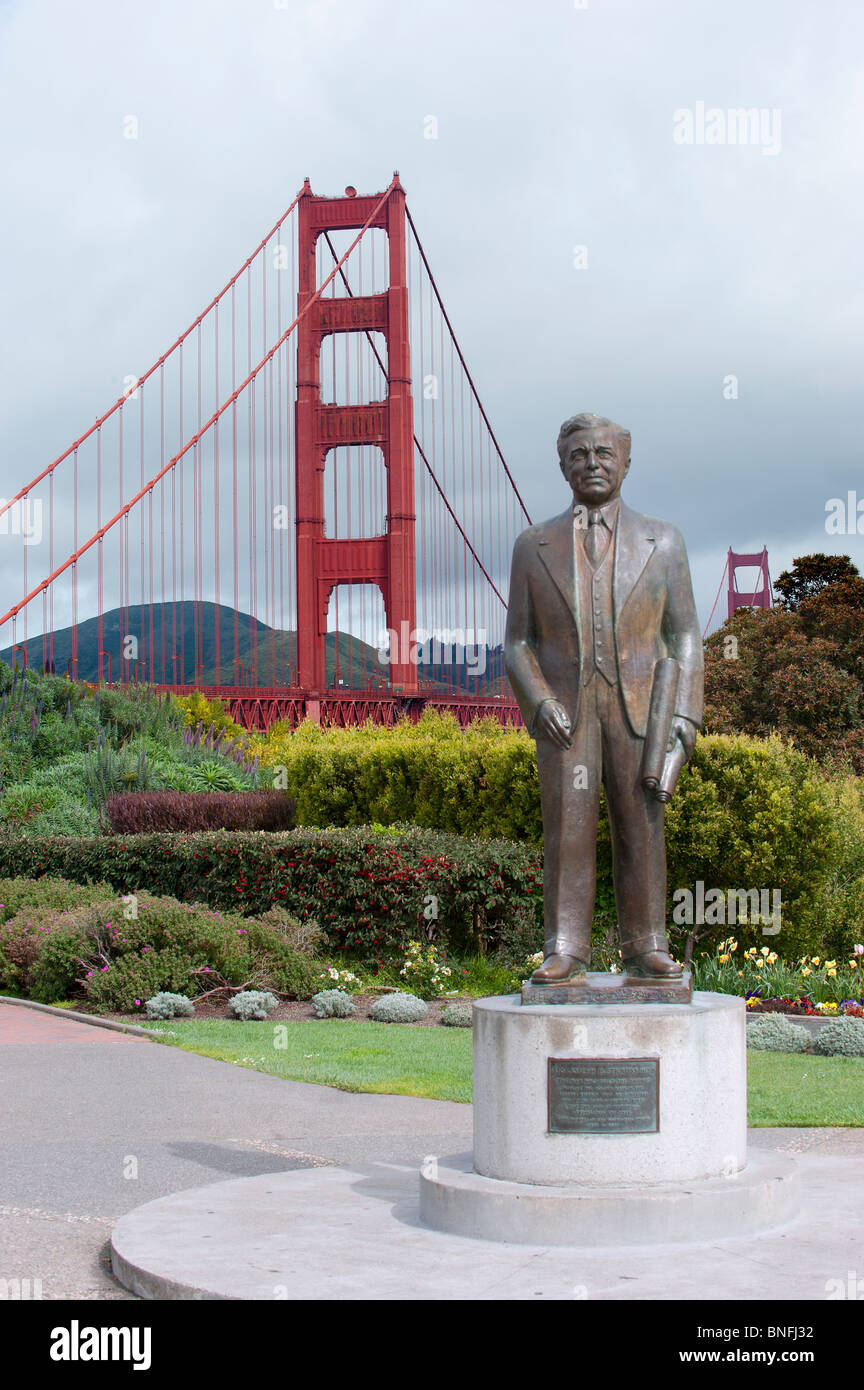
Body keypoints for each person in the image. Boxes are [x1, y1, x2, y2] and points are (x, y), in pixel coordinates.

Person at [504, 413, 703, 982]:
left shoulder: (664, 542)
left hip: (642, 709)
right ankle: (564, 946)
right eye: (579, 454)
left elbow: (685, 634)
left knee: (641, 827)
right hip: (564, 712)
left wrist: (684, 718)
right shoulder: (531, 545)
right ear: (563, 464)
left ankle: (647, 946)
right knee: (565, 829)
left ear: (626, 462)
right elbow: (517, 641)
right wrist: (539, 701)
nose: (592, 463)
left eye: (603, 454)